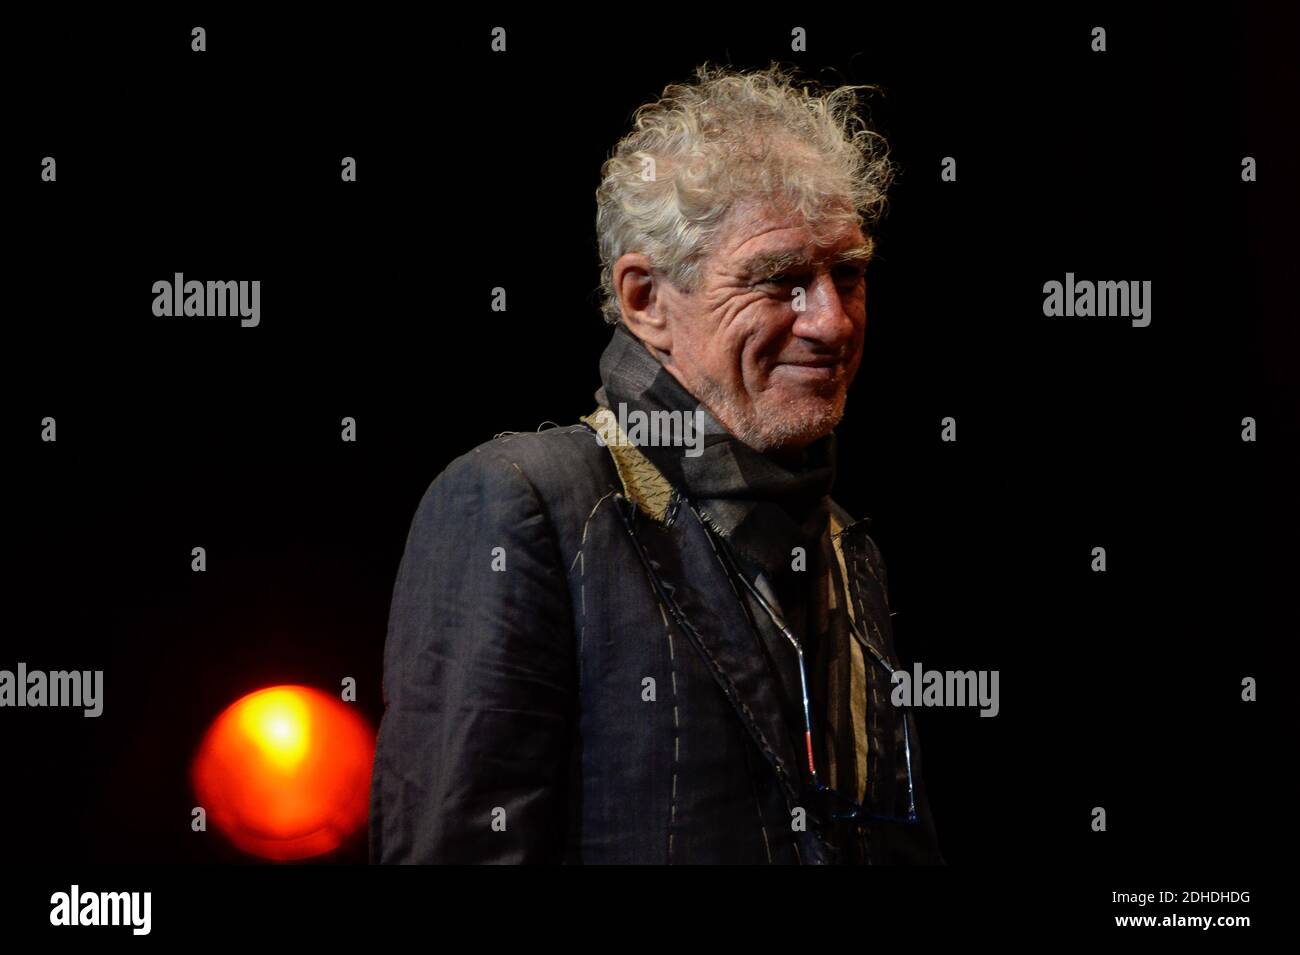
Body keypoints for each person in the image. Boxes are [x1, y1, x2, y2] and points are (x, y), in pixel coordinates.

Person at [370, 63, 943, 864]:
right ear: (644, 299)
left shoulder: (851, 551)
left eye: (847, 274)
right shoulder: (524, 502)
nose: (832, 321)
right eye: (780, 280)